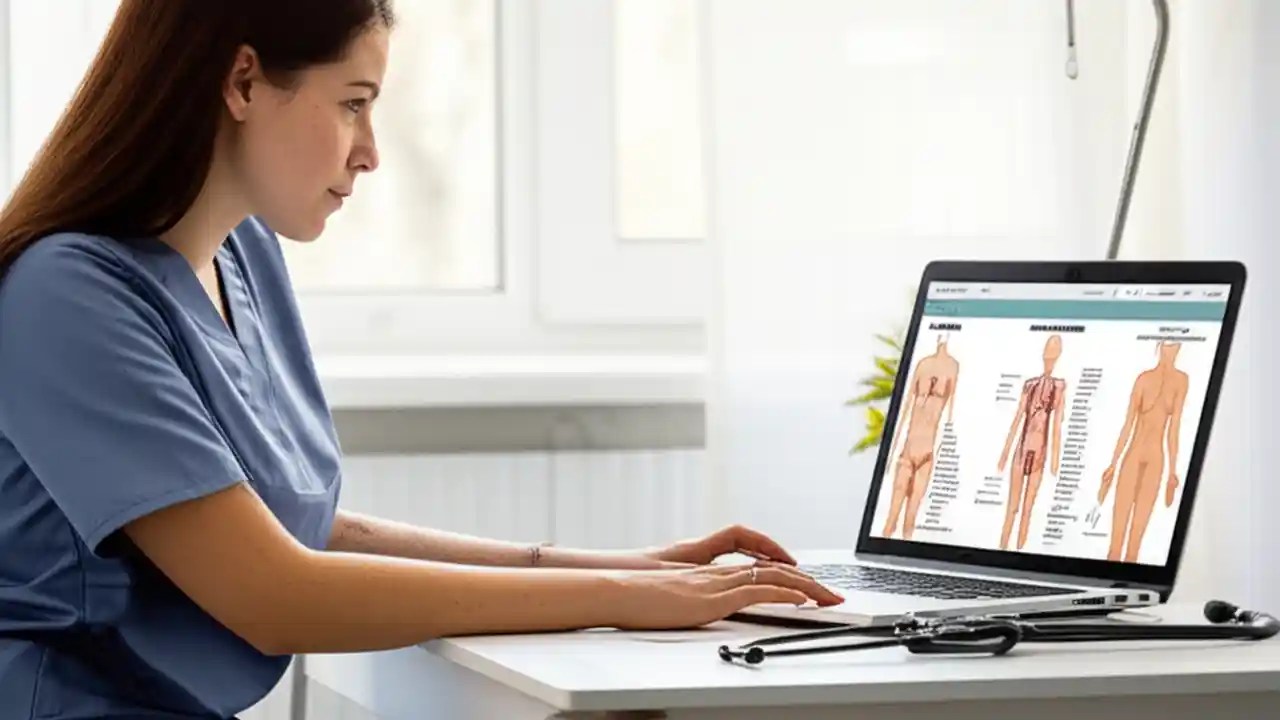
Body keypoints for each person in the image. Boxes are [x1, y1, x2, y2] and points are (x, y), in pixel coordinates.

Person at [0, 2, 842, 718]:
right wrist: (631, 600)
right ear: (243, 81)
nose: (369, 151)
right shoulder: (65, 296)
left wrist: (625, 565)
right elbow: (276, 593)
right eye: (352, 104)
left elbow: (294, 528)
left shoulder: (241, 254)